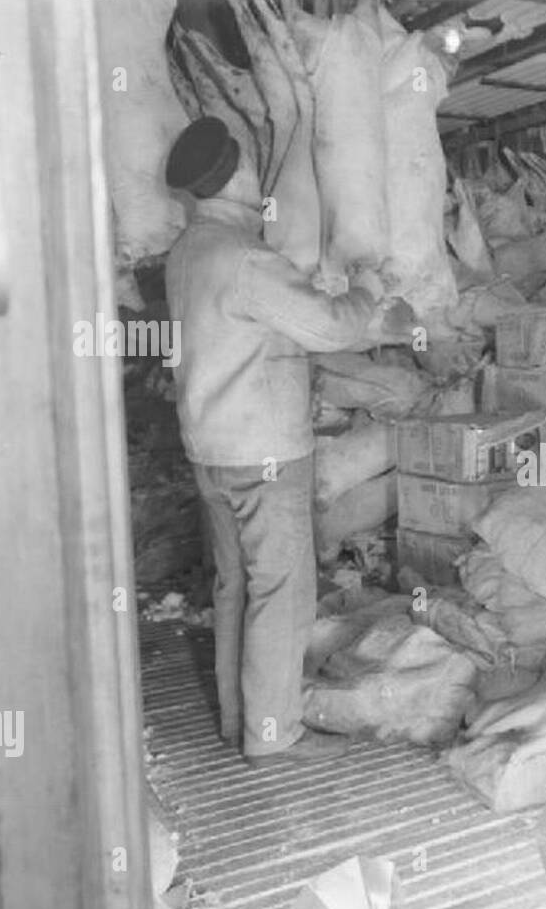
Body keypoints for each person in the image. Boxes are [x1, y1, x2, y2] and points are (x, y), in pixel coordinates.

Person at [163, 116, 416, 767]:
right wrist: (366, 289)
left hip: (210, 450)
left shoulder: (187, 251)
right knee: (282, 591)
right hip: (264, 454)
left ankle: (238, 719)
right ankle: (273, 736)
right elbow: (330, 327)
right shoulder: (244, 259)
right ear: (237, 174)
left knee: (234, 587)